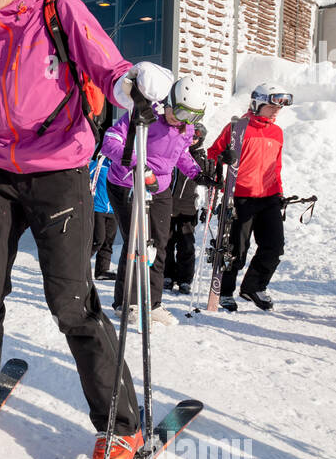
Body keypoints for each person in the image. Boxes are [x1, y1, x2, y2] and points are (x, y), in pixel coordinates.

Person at [0, 0, 179, 459]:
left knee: (71, 303)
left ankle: (121, 424)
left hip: (61, 173)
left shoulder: (60, 13)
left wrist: (133, 85)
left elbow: (110, 67)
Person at [102, 74, 209, 326]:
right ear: (170, 101)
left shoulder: (185, 127)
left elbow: (181, 154)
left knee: (158, 245)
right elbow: (110, 142)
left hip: (159, 188)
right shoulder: (144, 114)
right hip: (127, 182)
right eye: (181, 113)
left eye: (192, 117)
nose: (183, 121)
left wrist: (198, 173)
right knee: (136, 243)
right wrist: (139, 164)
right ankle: (125, 303)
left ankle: (152, 303)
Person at [207, 83, 291, 311]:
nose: (276, 111)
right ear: (257, 104)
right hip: (240, 197)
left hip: (269, 196)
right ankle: (225, 291)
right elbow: (212, 154)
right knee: (235, 249)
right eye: (271, 106)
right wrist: (223, 157)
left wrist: (280, 191)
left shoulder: (277, 132)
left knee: (274, 246)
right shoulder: (237, 127)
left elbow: (276, 166)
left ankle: (253, 286)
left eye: (278, 108)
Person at [165, 123, 208, 293]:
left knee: (186, 244)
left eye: (196, 137)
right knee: (166, 242)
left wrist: (205, 207)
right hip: (168, 203)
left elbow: (208, 183)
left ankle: (184, 279)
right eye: (191, 136)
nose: (192, 140)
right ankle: (167, 275)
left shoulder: (202, 159)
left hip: (189, 206)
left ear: (200, 139)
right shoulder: (174, 151)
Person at [89, 154, 116, 280]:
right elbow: (86, 176)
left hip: (114, 209)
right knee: (97, 240)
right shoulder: (100, 162)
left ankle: (102, 270)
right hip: (97, 207)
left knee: (108, 241)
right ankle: (79, 266)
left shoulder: (121, 164)